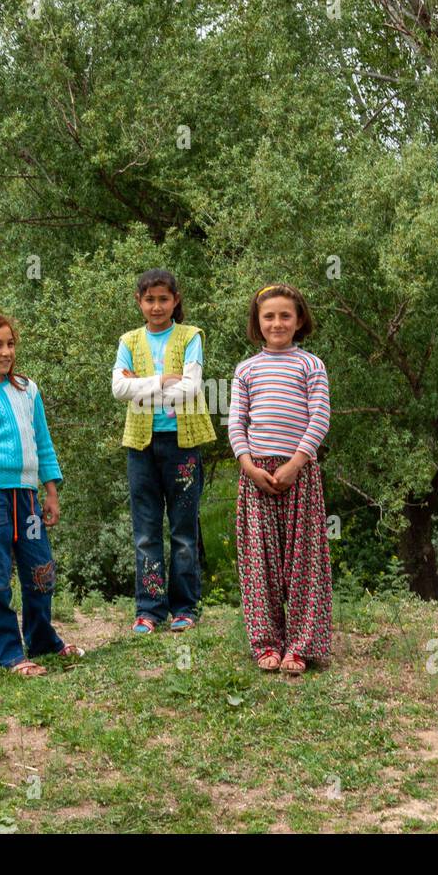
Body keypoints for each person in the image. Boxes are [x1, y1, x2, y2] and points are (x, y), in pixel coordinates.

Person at [0, 313, 82, 676]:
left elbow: (43, 442)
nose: (6, 352)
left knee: (41, 571)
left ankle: (42, 640)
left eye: (10, 344)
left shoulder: (27, 389)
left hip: (28, 502)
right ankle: (5, 655)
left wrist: (50, 492)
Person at [227, 283, 332, 675]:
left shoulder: (311, 365)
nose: (277, 322)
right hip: (256, 476)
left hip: (298, 474)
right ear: (258, 321)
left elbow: (319, 418)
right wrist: (249, 465)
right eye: (268, 316)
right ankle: (267, 643)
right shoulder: (246, 369)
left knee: (304, 564)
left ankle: (301, 647)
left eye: (285, 315)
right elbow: (237, 423)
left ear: (299, 319)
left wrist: (296, 464)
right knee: (260, 565)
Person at [111, 269, 217, 634]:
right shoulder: (129, 340)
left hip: (182, 443)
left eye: (163, 299)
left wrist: (139, 387)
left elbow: (189, 388)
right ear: (139, 302)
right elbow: (117, 390)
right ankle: (150, 609)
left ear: (175, 300)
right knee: (145, 530)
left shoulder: (190, 337)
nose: (156, 306)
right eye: (149, 299)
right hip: (140, 445)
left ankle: (185, 607)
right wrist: (159, 381)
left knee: (184, 529)